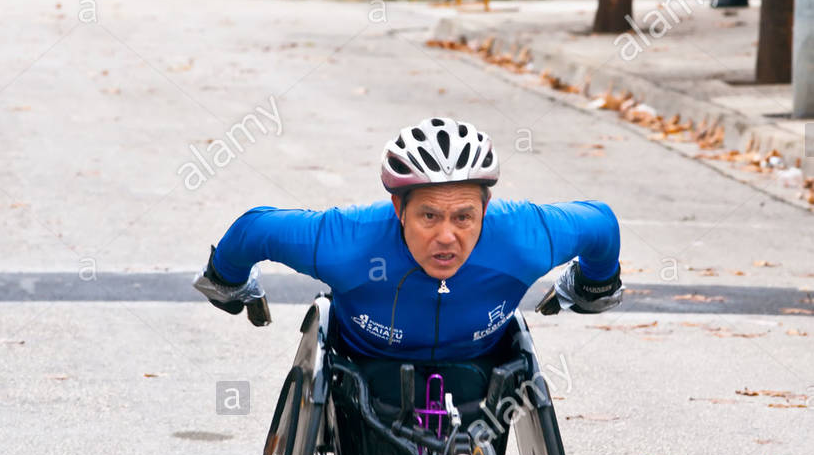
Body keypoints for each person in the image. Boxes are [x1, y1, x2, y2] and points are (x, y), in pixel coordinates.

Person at [197, 116, 622, 365]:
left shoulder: (524, 237)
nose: (447, 237)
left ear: (486, 208)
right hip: (364, 370)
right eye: (429, 216)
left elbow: (600, 225)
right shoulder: (347, 241)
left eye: (464, 217)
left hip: (479, 374)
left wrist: (594, 285)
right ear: (399, 210)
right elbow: (256, 230)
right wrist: (226, 278)